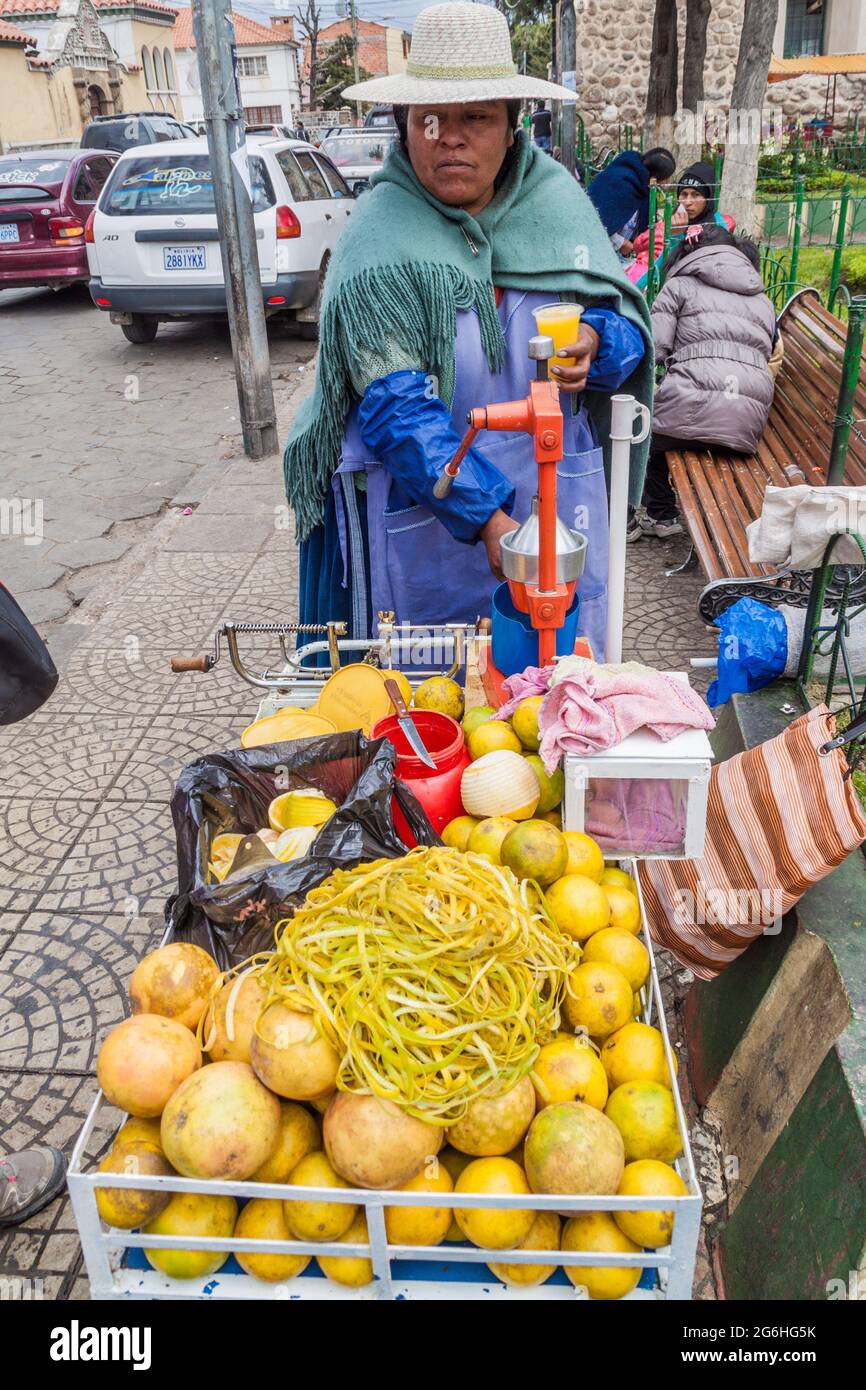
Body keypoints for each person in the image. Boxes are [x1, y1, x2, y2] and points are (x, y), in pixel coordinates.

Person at [283, 1, 653, 662]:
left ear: (513, 127)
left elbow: (627, 335)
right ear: (404, 128)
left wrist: (597, 343)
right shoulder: (379, 237)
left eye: (476, 117)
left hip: (560, 493)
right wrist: (491, 522)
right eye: (430, 119)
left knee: (559, 686)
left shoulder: (559, 208)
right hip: (430, 507)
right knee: (434, 692)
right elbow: (396, 407)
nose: (451, 137)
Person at [628, 224, 776, 541]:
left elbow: (652, 348)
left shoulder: (679, 286)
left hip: (689, 415)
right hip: (744, 422)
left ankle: (659, 515)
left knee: (638, 438)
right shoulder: (762, 298)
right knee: (679, 429)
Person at [626, 160, 734, 290]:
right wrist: (674, 236)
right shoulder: (672, 222)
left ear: (708, 198)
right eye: (684, 194)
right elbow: (654, 274)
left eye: (696, 195)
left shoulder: (719, 226)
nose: (688, 202)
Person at [588, 147, 676, 258]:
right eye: (666, 179)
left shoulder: (644, 189)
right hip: (597, 252)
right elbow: (595, 222)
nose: (666, 183)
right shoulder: (619, 182)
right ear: (654, 179)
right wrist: (621, 243)